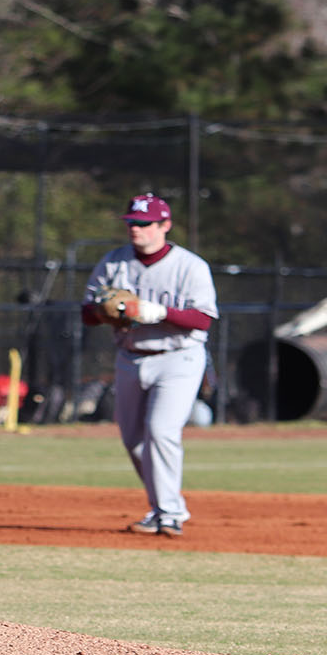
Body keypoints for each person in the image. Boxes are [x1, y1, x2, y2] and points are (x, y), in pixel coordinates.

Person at [82, 193, 219, 537]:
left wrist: (160, 313)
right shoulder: (114, 263)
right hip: (130, 356)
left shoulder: (190, 266)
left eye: (144, 224)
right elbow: (86, 314)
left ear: (165, 226)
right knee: (134, 441)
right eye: (131, 223)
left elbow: (203, 319)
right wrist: (105, 311)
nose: (136, 230)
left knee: (160, 431)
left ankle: (170, 514)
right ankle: (164, 507)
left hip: (178, 358)